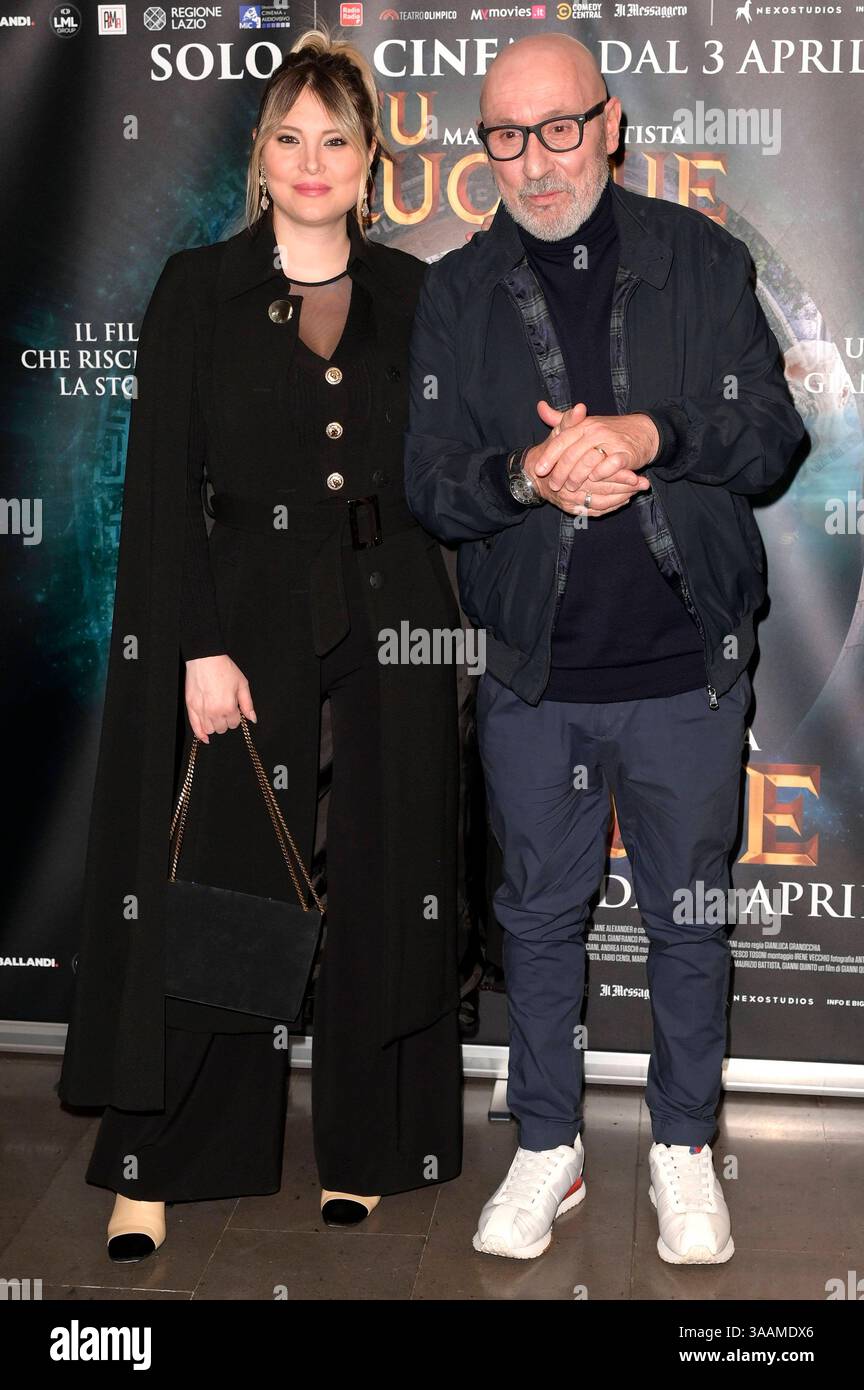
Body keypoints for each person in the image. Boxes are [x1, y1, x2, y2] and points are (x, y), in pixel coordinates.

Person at [58, 25, 463, 1262]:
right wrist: (190, 644)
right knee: (225, 884)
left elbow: (450, 468)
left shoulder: (414, 292)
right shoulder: (199, 286)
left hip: (394, 614)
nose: (311, 158)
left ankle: (374, 1143)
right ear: (261, 154)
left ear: (369, 158)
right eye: (290, 135)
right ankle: (162, 1161)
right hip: (238, 619)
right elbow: (163, 488)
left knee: (384, 875)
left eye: (335, 138)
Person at [404, 32, 806, 1264]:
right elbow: (430, 485)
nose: (535, 162)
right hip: (536, 675)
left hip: (685, 669)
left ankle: (685, 1146)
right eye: (507, 137)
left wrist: (649, 432)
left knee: (690, 918)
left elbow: (771, 438)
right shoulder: (456, 293)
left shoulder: (702, 258)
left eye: (560, 127)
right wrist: (528, 475)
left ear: (612, 121)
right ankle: (549, 1147)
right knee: (536, 921)